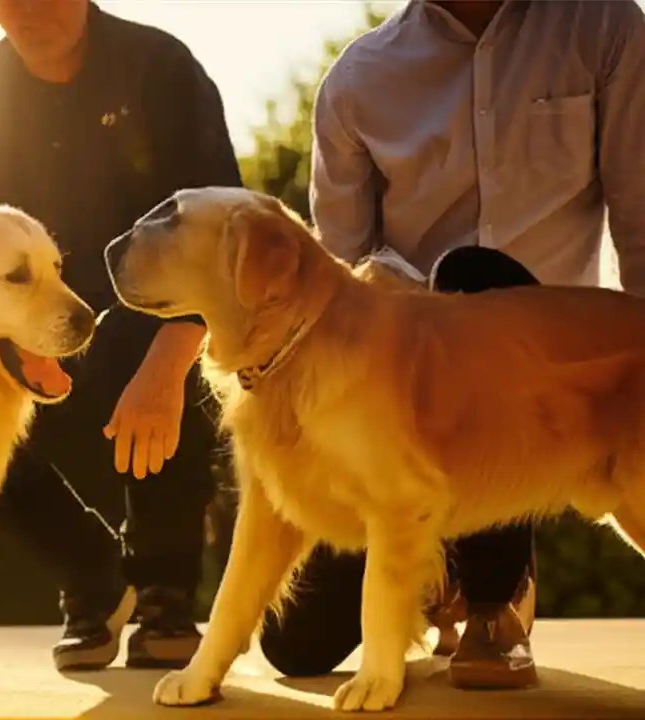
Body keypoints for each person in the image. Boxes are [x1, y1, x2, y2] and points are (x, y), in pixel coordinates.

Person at [262, 0, 645, 689]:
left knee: (472, 277)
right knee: (295, 646)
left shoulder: (606, 27)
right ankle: (445, 566)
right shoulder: (358, 80)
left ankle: (496, 598)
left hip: (548, 379)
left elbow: (643, 220)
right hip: (403, 392)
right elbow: (329, 295)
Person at [0, 0, 242, 670]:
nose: (27, 9)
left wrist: (164, 375)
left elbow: (221, 237)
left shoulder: (162, 67)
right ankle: (93, 576)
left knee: (163, 351)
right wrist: (17, 358)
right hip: (38, 328)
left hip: (163, 323)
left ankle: (165, 590)